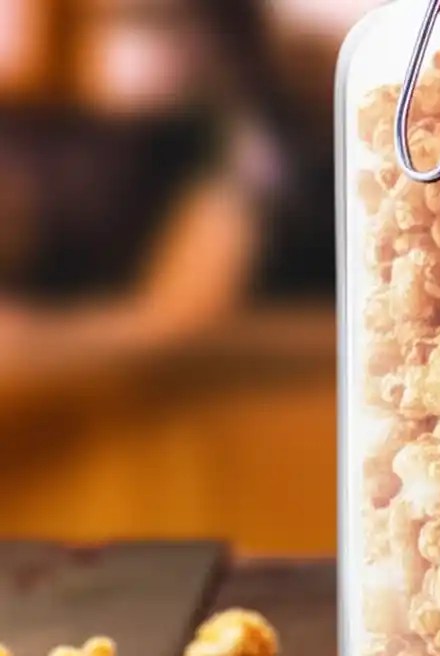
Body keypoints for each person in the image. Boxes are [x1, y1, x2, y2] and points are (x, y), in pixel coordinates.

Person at [0, 0, 300, 382]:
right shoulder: (41, 133)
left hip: (183, 397)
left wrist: (36, 343)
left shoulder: (239, 146)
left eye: (145, 24)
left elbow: (181, 319)